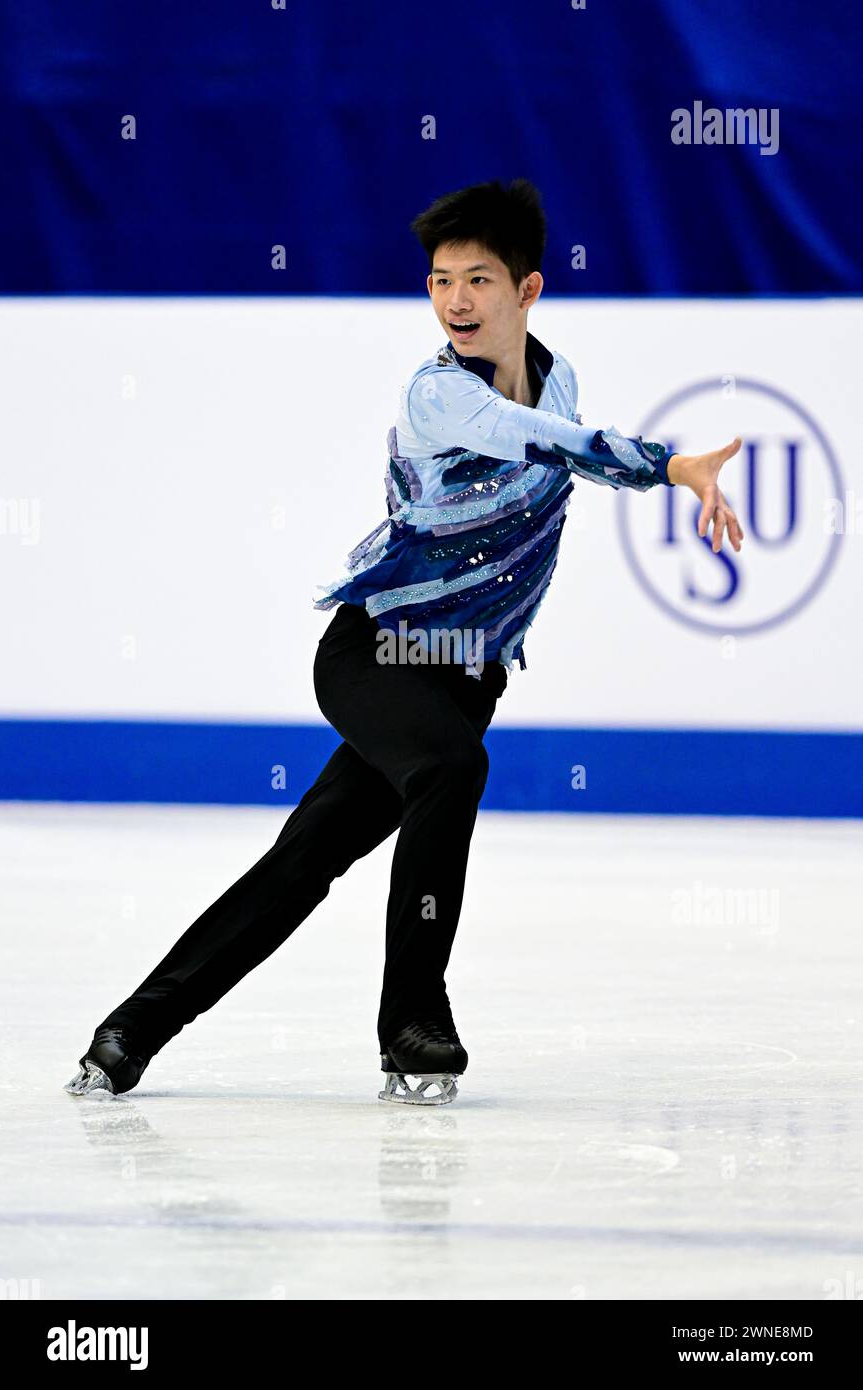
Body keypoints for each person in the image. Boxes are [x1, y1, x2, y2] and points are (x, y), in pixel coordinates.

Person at [65, 178, 743, 1106]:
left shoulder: (561, 376)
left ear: (528, 290)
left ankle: (128, 1032)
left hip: (467, 680)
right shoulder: (438, 395)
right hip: (379, 654)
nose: (455, 300)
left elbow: (557, 429)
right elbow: (543, 441)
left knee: (303, 861)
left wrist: (656, 468)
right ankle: (412, 1020)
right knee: (451, 770)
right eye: (438, 280)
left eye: (477, 280)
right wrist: (670, 464)